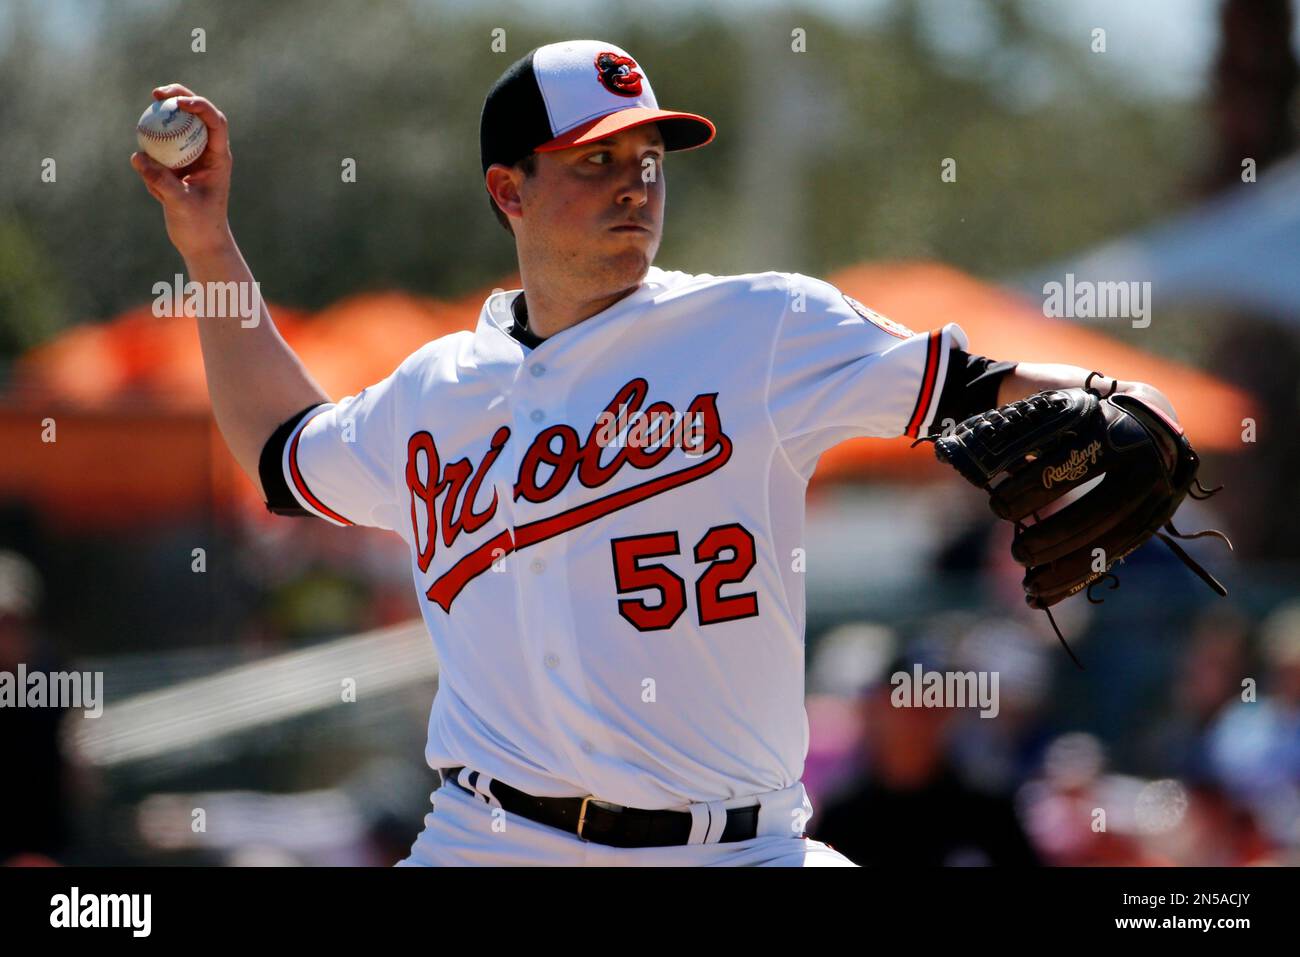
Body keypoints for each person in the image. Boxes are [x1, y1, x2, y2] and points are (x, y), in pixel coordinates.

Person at [131, 39, 1181, 866]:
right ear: (508, 191)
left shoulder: (760, 330)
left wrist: (1125, 404)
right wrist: (206, 244)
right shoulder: (434, 391)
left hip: (734, 849)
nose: (636, 183)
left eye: (645, 159)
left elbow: (985, 385)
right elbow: (278, 449)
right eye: (596, 162)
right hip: (490, 843)